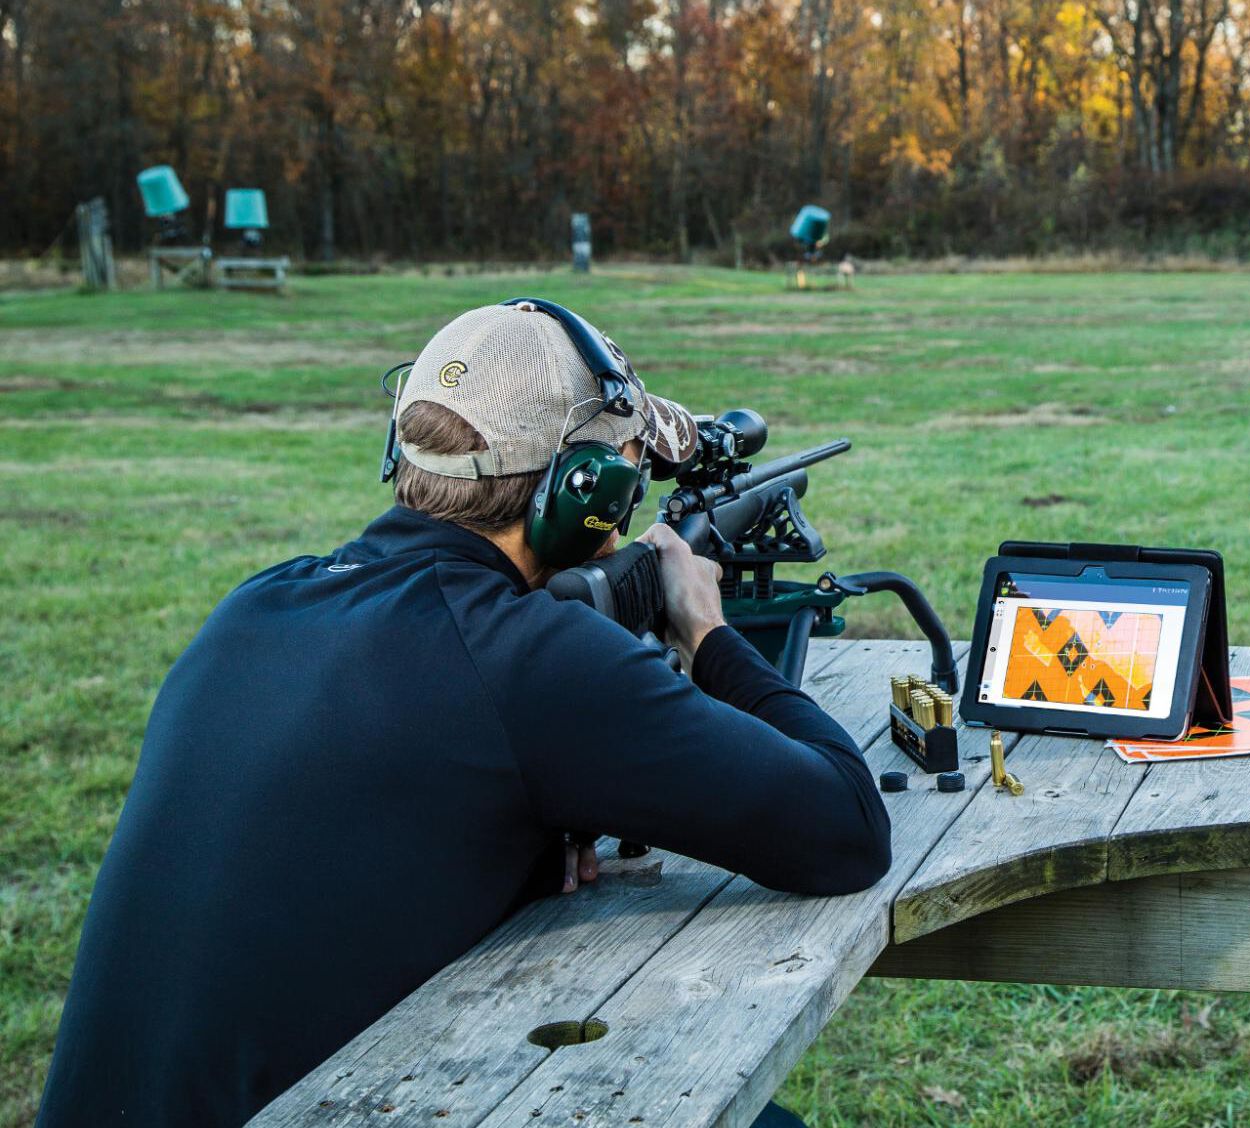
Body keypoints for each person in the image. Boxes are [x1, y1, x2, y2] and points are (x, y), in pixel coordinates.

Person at [36, 301, 889, 1128]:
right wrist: (706, 632)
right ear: (582, 491)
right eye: (628, 477)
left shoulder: (257, 605)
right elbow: (846, 827)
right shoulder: (529, 658)